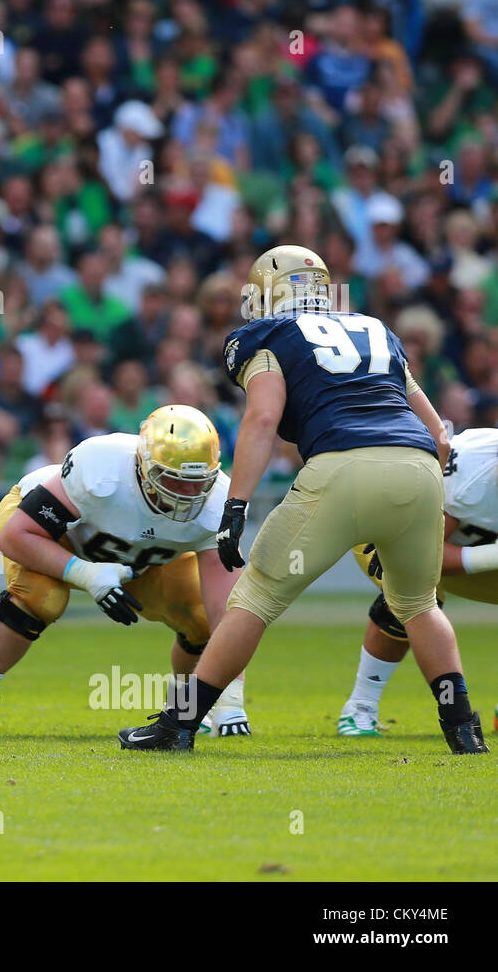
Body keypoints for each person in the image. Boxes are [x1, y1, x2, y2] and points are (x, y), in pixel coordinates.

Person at [119, 246, 487, 754]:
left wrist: (236, 505)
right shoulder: (374, 329)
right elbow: (439, 436)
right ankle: (463, 730)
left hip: (341, 464)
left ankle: (178, 726)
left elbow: (264, 418)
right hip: (420, 469)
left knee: (253, 598)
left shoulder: (265, 336)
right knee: (418, 603)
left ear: (269, 292)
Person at [0, 406, 248, 738]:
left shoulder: (219, 503)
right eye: (174, 478)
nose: (188, 494)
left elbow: (227, 611)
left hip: (138, 559)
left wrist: (231, 698)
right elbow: (17, 535)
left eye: (198, 482)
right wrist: (87, 574)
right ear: (143, 467)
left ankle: (187, 709)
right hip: (50, 535)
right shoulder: (102, 467)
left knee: (199, 616)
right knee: (43, 598)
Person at [338, 426, 498, 735]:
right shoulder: (471, 475)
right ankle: (360, 707)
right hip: (389, 534)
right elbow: (423, 552)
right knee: (415, 587)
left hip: (464, 547)